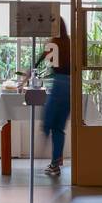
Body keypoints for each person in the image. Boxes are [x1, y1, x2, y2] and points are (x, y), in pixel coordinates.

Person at [38, 16, 71, 177]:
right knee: (59, 128)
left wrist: (23, 80)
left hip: (59, 84)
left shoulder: (53, 44)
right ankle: (54, 163)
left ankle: (39, 152)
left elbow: (37, 63)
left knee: (47, 123)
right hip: (70, 86)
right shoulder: (70, 43)